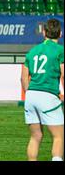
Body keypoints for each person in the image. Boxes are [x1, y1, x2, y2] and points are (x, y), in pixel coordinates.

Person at [22, 18, 63, 161]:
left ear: (44, 32)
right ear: (60, 34)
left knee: (36, 136)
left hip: (31, 95)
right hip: (48, 94)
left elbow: (24, 77)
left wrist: (30, 94)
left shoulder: (32, 51)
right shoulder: (60, 50)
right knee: (58, 136)